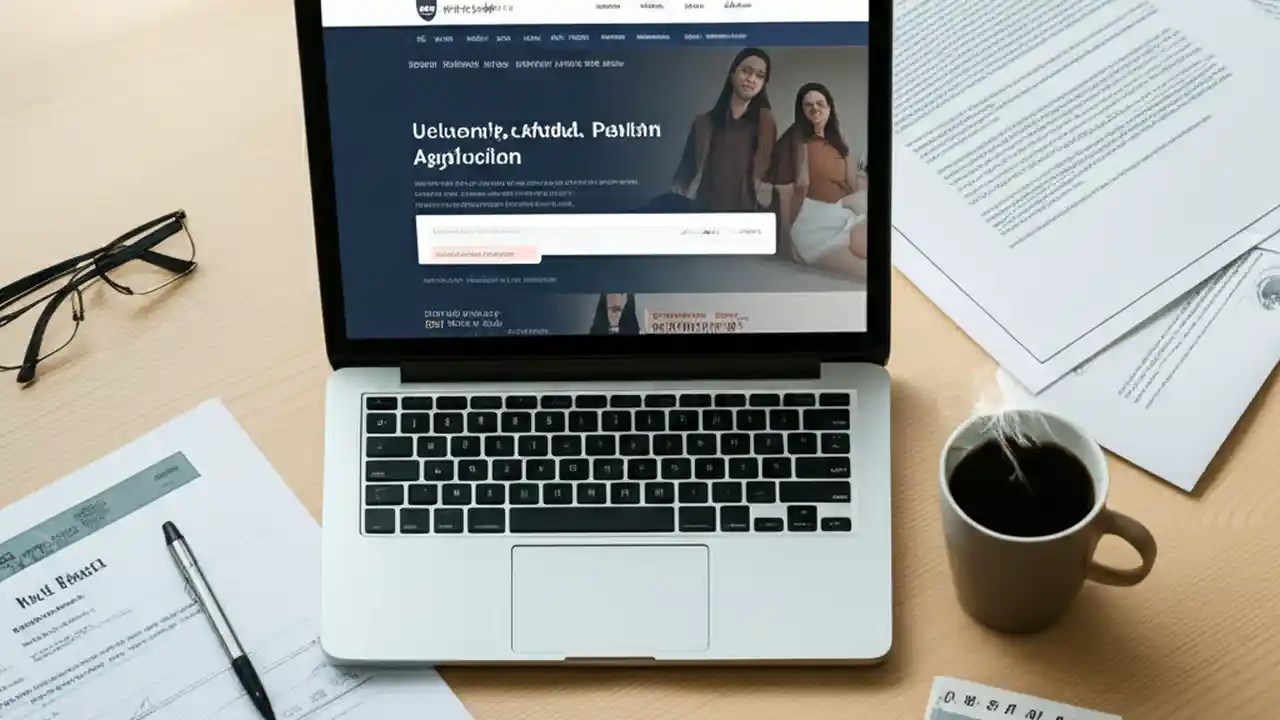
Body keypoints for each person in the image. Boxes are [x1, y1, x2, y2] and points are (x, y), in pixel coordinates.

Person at [769, 82, 868, 279]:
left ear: (829, 108)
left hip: (844, 215)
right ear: (802, 110)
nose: (815, 109)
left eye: (820, 104)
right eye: (808, 105)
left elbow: (853, 187)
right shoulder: (798, 141)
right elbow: (791, 190)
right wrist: (785, 241)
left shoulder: (839, 146)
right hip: (815, 223)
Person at [670, 48, 778, 213]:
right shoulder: (703, 124)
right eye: (746, 71)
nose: (751, 79)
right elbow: (683, 176)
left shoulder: (766, 124)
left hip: (748, 218)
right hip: (705, 215)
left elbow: (770, 172)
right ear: (733, 72)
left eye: (760, 76)